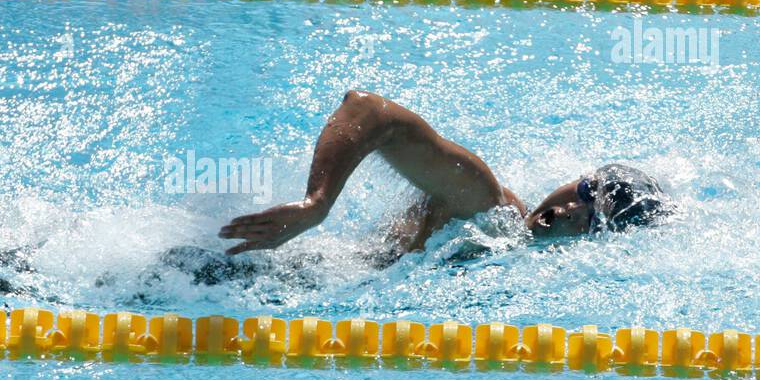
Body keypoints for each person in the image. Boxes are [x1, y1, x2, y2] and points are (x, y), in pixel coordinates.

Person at [218, 90, 671, 258]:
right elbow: (372, 111)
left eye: (594, 217)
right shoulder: (484, 202)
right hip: (254, 269)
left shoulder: (510, 253)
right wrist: (316, 204)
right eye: (585, 190)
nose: (570, 209)